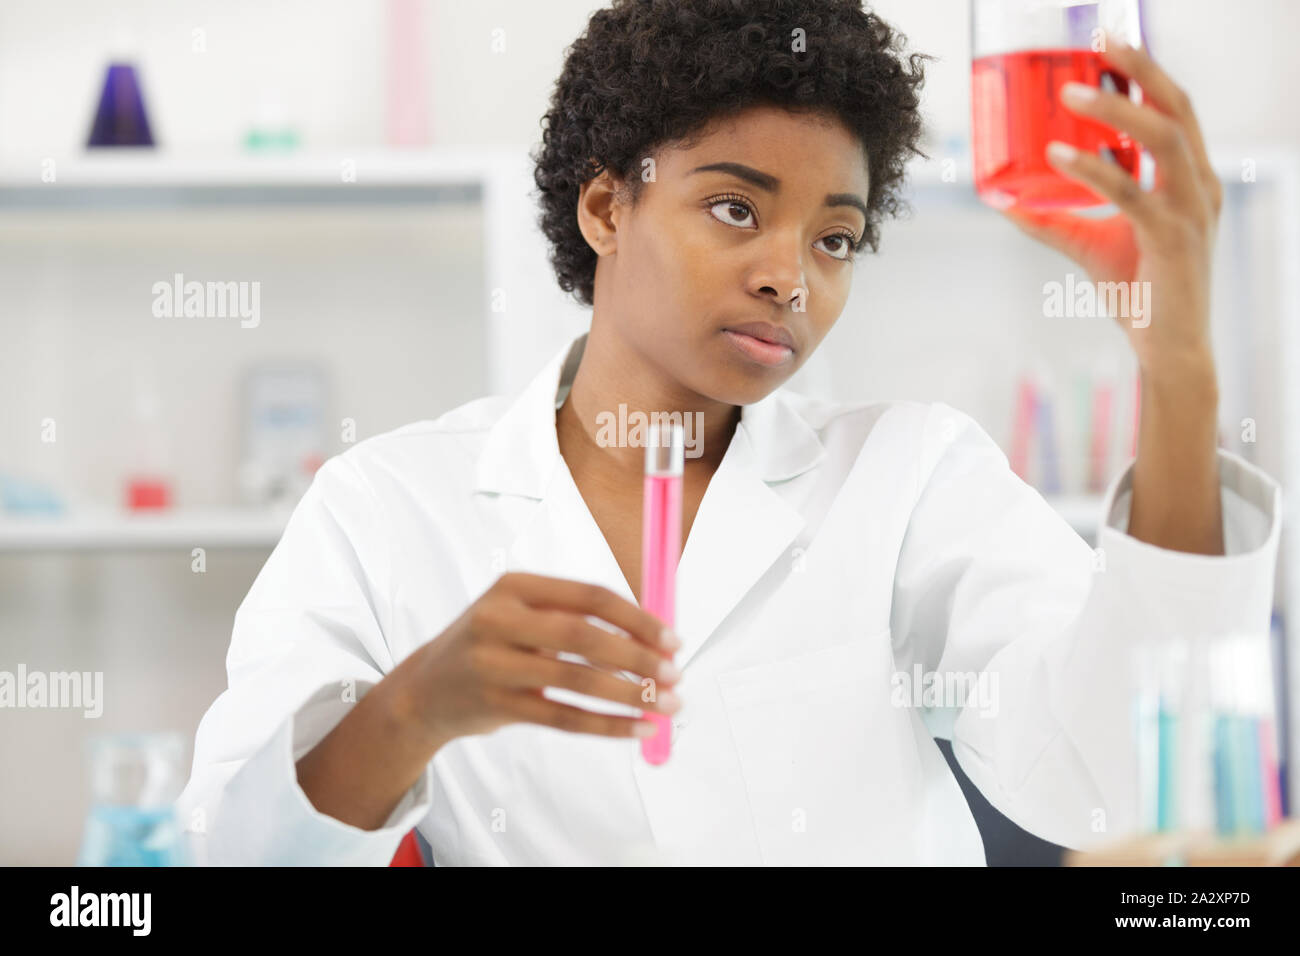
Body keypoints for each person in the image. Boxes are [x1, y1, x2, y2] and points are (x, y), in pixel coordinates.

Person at [177, 0, 1280, 865]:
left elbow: (1116, 779)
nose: (787, 276)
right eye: (737, 208)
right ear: (607, 207)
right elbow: (236, 854)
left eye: (836, 238)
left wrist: (1173, 365)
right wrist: (418, 705)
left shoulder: (904, 476)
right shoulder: (388, 506)